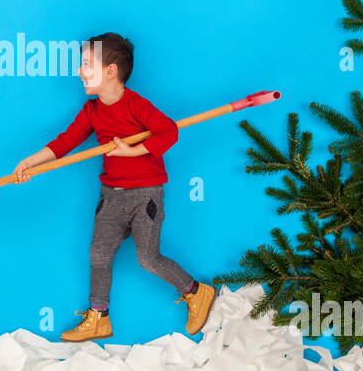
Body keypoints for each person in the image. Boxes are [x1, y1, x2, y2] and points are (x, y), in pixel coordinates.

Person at [13, 33, 216, 342]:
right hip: (111, 197)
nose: (79, 72)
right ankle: (99, 318)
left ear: (109, 71)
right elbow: (65, 142)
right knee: (98, 253)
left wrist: (134, 151)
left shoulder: (136, 105)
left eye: (85, 65)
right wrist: (32, 162)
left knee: (147, 258)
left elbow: (169, 132)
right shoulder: (92, 111)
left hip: (145, 194)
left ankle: (196, 292)